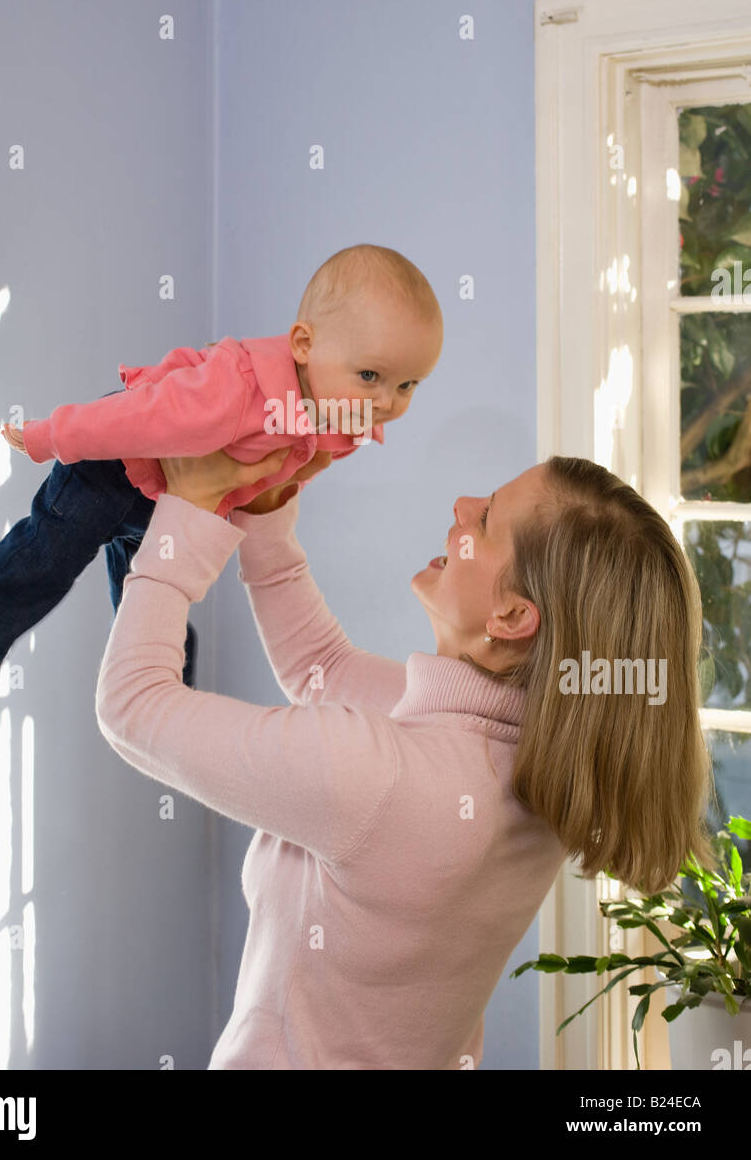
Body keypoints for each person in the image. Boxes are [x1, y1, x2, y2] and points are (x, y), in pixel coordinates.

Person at [94, 442, 714, 1070]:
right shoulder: (545, 768)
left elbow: (133, 705)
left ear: (512, 615)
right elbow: (322, 667)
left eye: (486, 519)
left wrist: (188, 512)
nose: (462, 505)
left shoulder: (384, 775)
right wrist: (267, 507)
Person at [0, 244, 444, 722]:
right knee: (46, 557)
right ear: (304, 345)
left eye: (407, 385)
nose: (387, 403)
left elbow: (271, 481)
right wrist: (48, 436)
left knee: (152, 597)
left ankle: (168, 693)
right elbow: (131, 418)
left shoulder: (342, 416)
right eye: (371, 377)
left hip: (170, 505)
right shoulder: (234, 387)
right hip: (115, 468)